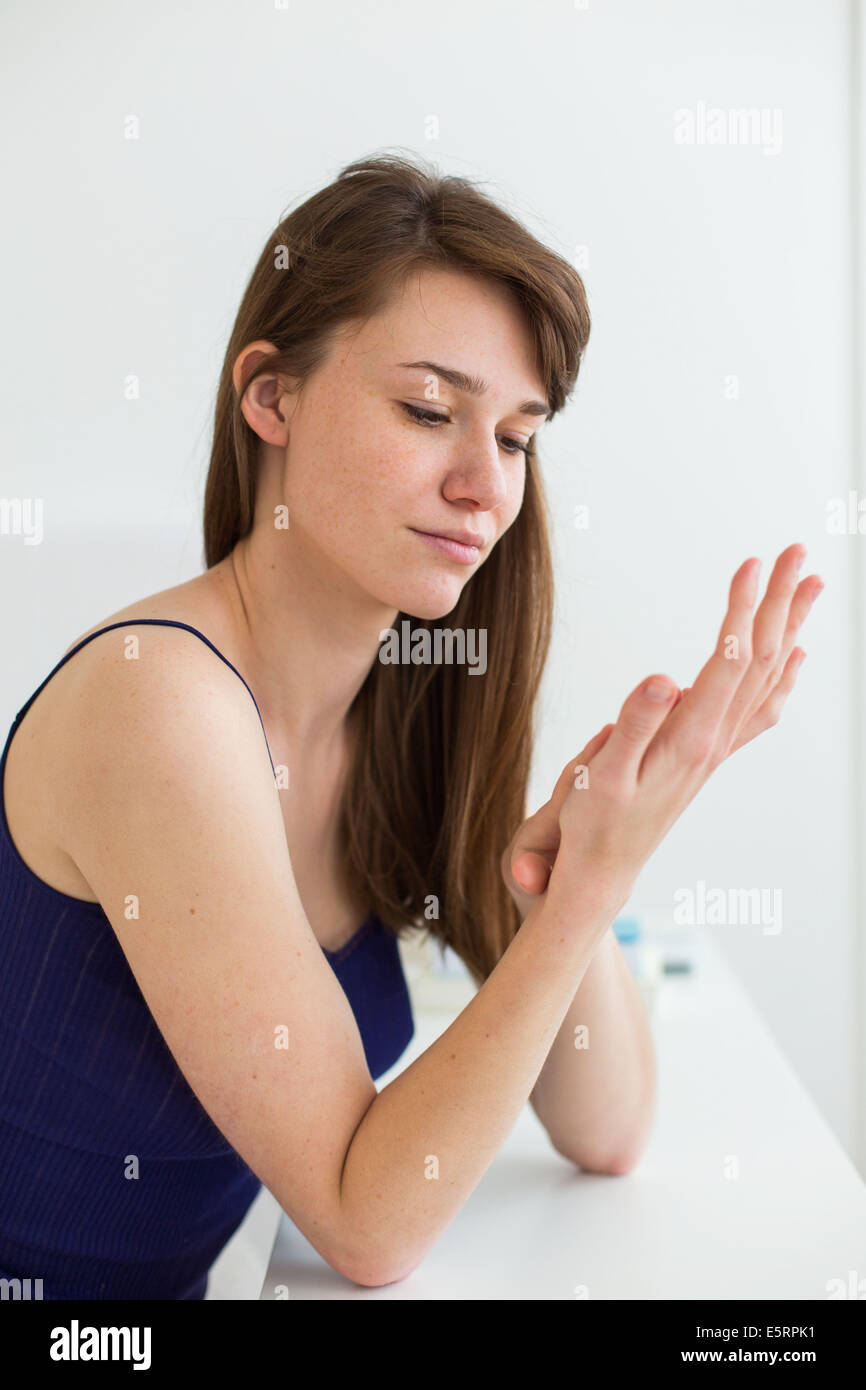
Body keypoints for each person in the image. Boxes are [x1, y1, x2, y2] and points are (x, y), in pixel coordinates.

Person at [0, 151, 823, 1299]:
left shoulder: (405, 709)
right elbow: (362, 1221)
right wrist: (590, 888)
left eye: (517, 438)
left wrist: (564, 887)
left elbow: (609, 1125)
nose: (483, 484)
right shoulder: (159, 704)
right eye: (429, 409)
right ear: (270, 396)